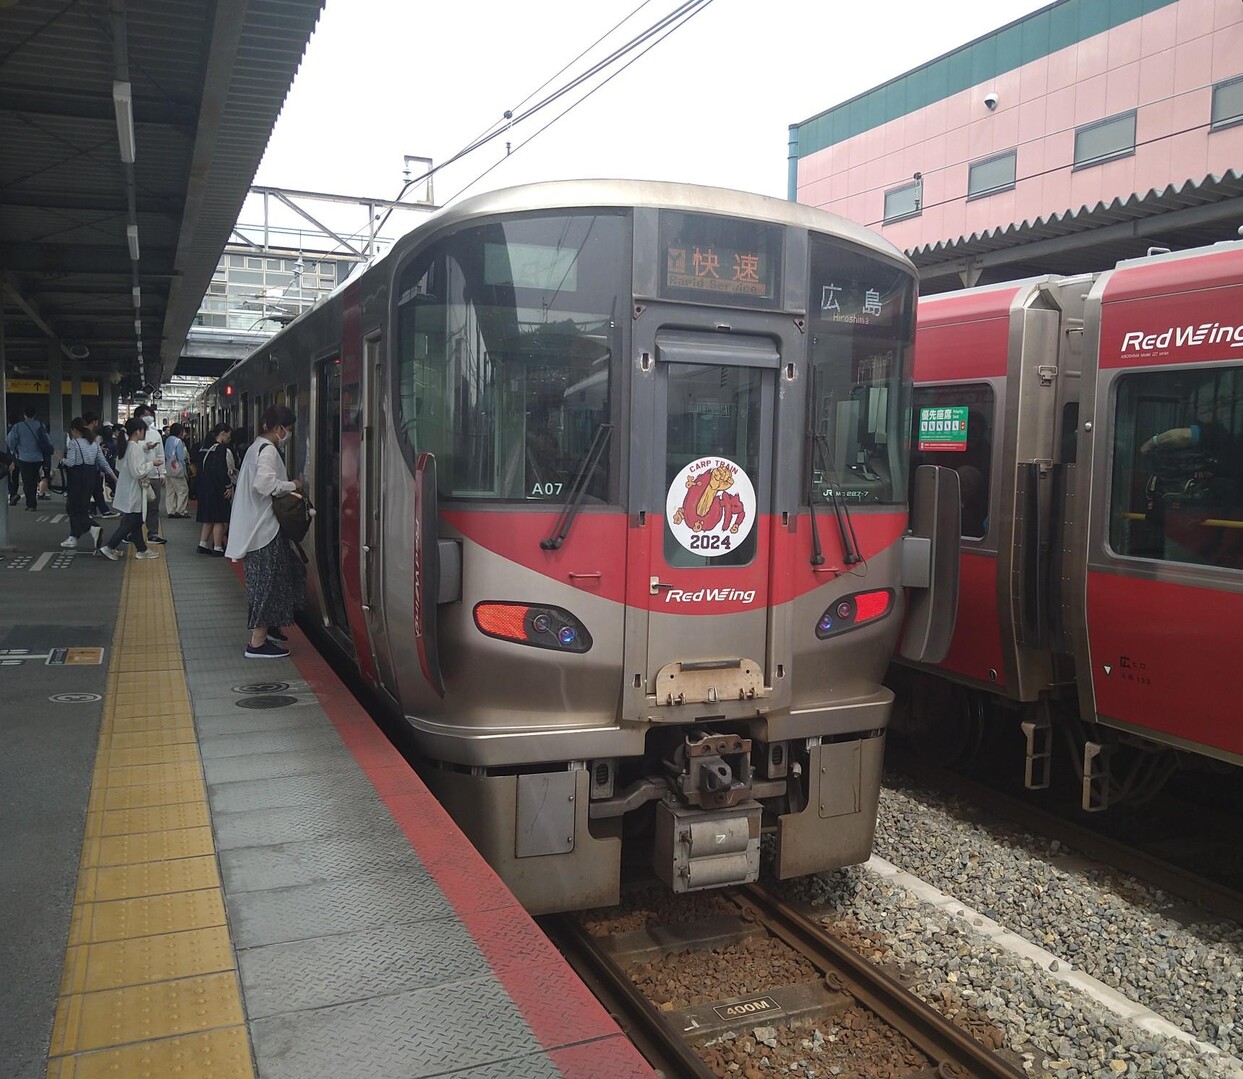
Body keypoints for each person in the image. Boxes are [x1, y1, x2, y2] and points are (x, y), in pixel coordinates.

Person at [225, 405, 304, 659]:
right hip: (263, 529)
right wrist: (293, 485)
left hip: (257, 527)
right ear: (279, 428)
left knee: (274, 579)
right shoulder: (268, 449)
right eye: (288, 428)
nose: (288, 433)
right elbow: (264, 484)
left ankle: (270, 629)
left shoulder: (256, 447)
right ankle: (257, 644)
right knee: (266, 584)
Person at [96, 419, 160, 561]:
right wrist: (152, 463)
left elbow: (121, 466)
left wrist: (146, 448)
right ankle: (110, 546)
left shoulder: (127, 446)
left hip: (127, 488)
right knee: (133, 521)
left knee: (135, 521)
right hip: (134, 490)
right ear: (138, 431)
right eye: (143, 430)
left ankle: (142, 550)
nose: (144, 433)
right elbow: (137, 472)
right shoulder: (134, 448)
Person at [61, 417, 117, 549]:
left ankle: (92, 527)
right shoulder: (93, 443)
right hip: (91, 477)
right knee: (82, 507)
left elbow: (71, 462)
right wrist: (114, 477)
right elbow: (102, 462)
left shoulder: (74, 443)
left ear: (74, 430)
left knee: (72, 508)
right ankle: (73, 537)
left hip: (77, 478)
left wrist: (62, 460)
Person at [6, 407, 55, 511]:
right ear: (35, 415)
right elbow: (47, 439)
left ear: (24, 415)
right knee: (34, 479)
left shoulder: (18, 426)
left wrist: (13, 450)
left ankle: (31, 504)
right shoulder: (40, 425)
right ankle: (33, 500)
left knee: (27, 481)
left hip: (24, 458)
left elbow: (10, 440)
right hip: (38, 458)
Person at [196, 424, 234, 555]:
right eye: (228, 435)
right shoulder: (220, 449)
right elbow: (221, 470)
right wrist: (228, 486)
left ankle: (202, 543)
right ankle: (218, 547)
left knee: (209, 518)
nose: (229, 438)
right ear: (223, 433)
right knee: (219, 519)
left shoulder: (204, 448)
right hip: (217, 488)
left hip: (204, 487)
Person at [133, 404, 166, 543]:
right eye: (145, 415)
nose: (149, 418)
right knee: (135, 507)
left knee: (153, 506)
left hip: (153, 475)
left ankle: (153, 533)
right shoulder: (131, 433)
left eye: (150, 415)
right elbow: (130, 450)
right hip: (137, 476)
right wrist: (145, 447)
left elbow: (160, 454)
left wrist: (162, 472)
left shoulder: (155, 433)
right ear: (138, 417)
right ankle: (132, 533)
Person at [163, 423, 191, 518]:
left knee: (170, 491)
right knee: (183, 490)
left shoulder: (168, 440)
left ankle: (171, 510)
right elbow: (181, 458)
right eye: (183, 431)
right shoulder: (178, 441)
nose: (184, 433)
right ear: (179, 431)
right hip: (177, 469)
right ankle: (180, 511)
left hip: (168, 468)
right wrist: (185, 472)